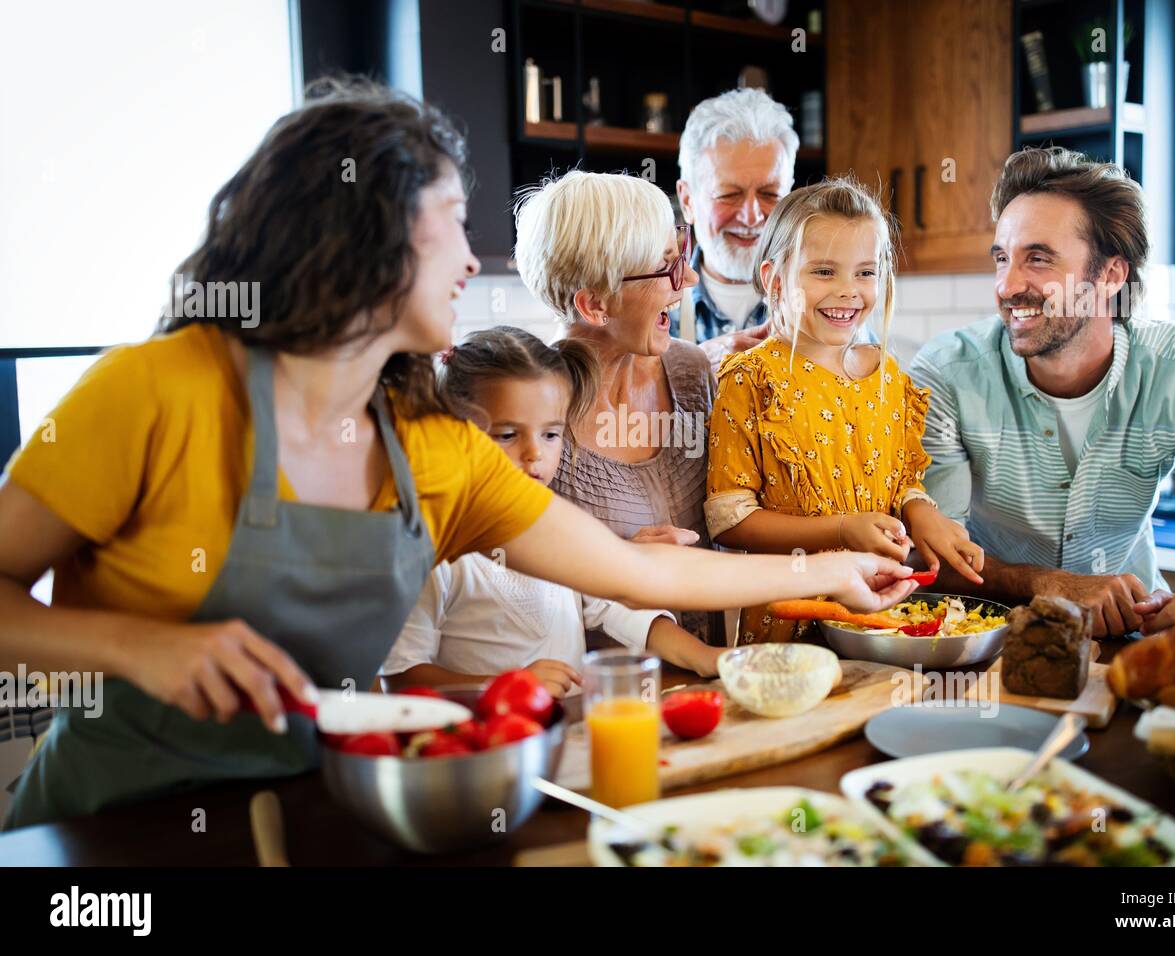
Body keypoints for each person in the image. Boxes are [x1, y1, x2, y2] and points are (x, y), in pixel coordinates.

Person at [0, 78, 917, 829]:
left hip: (317, 810)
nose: (473, 260)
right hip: (102, 822)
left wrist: (836, 568)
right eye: (448, 220)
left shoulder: (429, 444)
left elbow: (638, 577)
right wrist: (136, 647)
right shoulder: (156, 391)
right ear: (362, 233)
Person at [910, 146, 1175, 637]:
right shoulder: (945, 374)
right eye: (1002, 258)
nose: (1007, 285)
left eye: (1037, 259)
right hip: (991, 637)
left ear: (1109, 275)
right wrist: (1048, 584)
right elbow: (932, 553)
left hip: (1134, 635)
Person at [706, 177, 985, 644]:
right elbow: (730, 521)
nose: (848, 291)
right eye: (823, 272)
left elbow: (899, 481)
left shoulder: (887, 375)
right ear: (776, 279)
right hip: (791, 623)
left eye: (865, 272)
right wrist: (840, 529)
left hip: (883, 611)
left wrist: (922, 512)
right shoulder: (750, 378)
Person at [380, 327, 723, 698]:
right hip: (490, 745)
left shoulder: (558, 525)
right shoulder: (437, 550)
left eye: (550, 435)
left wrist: (707, 658)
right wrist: (506, 687)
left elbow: (615, 608)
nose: (534, 454)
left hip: (569, 736)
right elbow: (401, 676)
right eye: (507, 435)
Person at [515, 170, 722, 643]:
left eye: (682, 254)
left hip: (714, 683)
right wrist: (614, 558)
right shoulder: (532, 420)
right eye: (667, 266)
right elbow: (502, 581)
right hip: (604, 696)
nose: (687, 278)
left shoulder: (692, 372)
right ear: (594, 306)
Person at [672, 88, 800, 372]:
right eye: (729, 194)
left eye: (770, 194)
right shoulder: (651, 309)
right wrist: (688, 370)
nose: (752, 216)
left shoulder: (824, 302)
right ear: (687, 200)